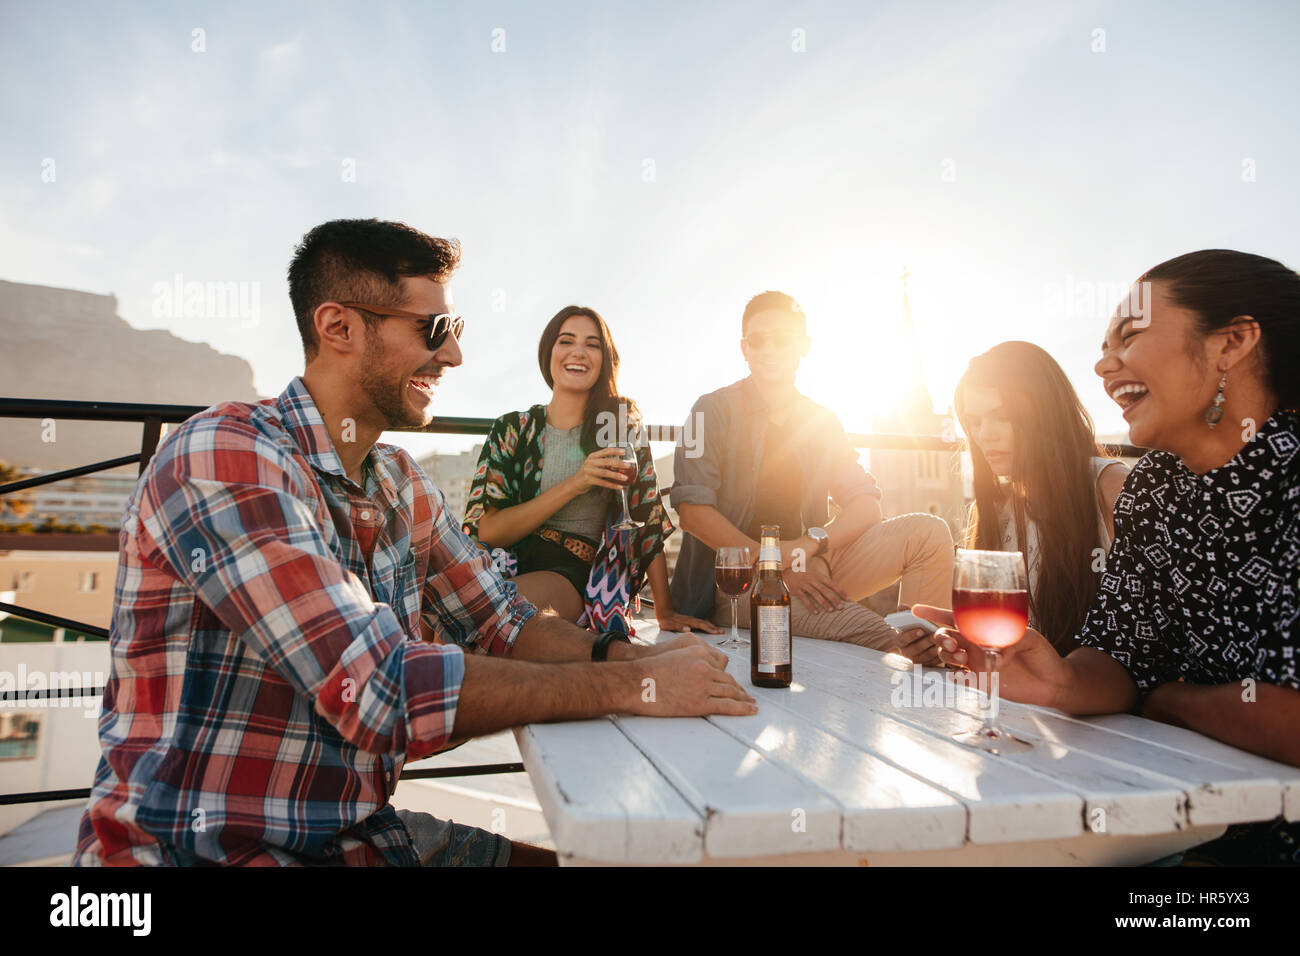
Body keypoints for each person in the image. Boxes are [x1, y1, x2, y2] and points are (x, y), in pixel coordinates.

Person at [72, 219, 755, 868]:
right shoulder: (224, 455)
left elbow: (506, 623)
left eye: (453, 328)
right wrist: (631, 684)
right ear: (338, 327)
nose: (454, 353)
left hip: (357, 834)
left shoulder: (402, 482)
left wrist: (644, 656)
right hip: (202, 850)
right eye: (434, 329)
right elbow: (378, 688)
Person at [919, 249, 1300, 865]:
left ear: (1233, 342)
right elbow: (1120, 658)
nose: (1102, 364)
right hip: (1177, 824)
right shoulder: (1157, 487)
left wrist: (1170, 700)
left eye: (1131, 335)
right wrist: (1061, 681)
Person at [670, 290, 954, 651]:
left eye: (782, 339)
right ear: (745, 348)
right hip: (736, 582)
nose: (770, 349)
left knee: (928, 534)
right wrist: (778, 568)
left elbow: (867, 505)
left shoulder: (821, 420)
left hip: (811, 567)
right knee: (877, 634)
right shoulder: (709, 411)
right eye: (758, 340)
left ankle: (927, 652)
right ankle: (922, 661)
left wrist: (808, 547)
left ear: (804, 345)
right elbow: (693, 514)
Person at [463, 306, 718, 635]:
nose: (578, 352)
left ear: (605, 358)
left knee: (484, 612)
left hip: (570, 571)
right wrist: (577, 482)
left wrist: (665, 611)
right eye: (566, 341)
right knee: (441, 607)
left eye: (593, 344)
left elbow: (646, 517)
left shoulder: (617, 425)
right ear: (549, 352)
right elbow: (488, 531)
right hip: (504, 562)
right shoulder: (512, 429)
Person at [915, 341, 1128, 662]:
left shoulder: (1110, 488)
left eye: (1002, 416)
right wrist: (945, 645)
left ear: (1046, 415)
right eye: (974, 421)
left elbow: (1154, 634)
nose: (985, 434)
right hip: (1015, 700)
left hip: (1101, 703)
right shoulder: (990, 509)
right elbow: (997, 638)